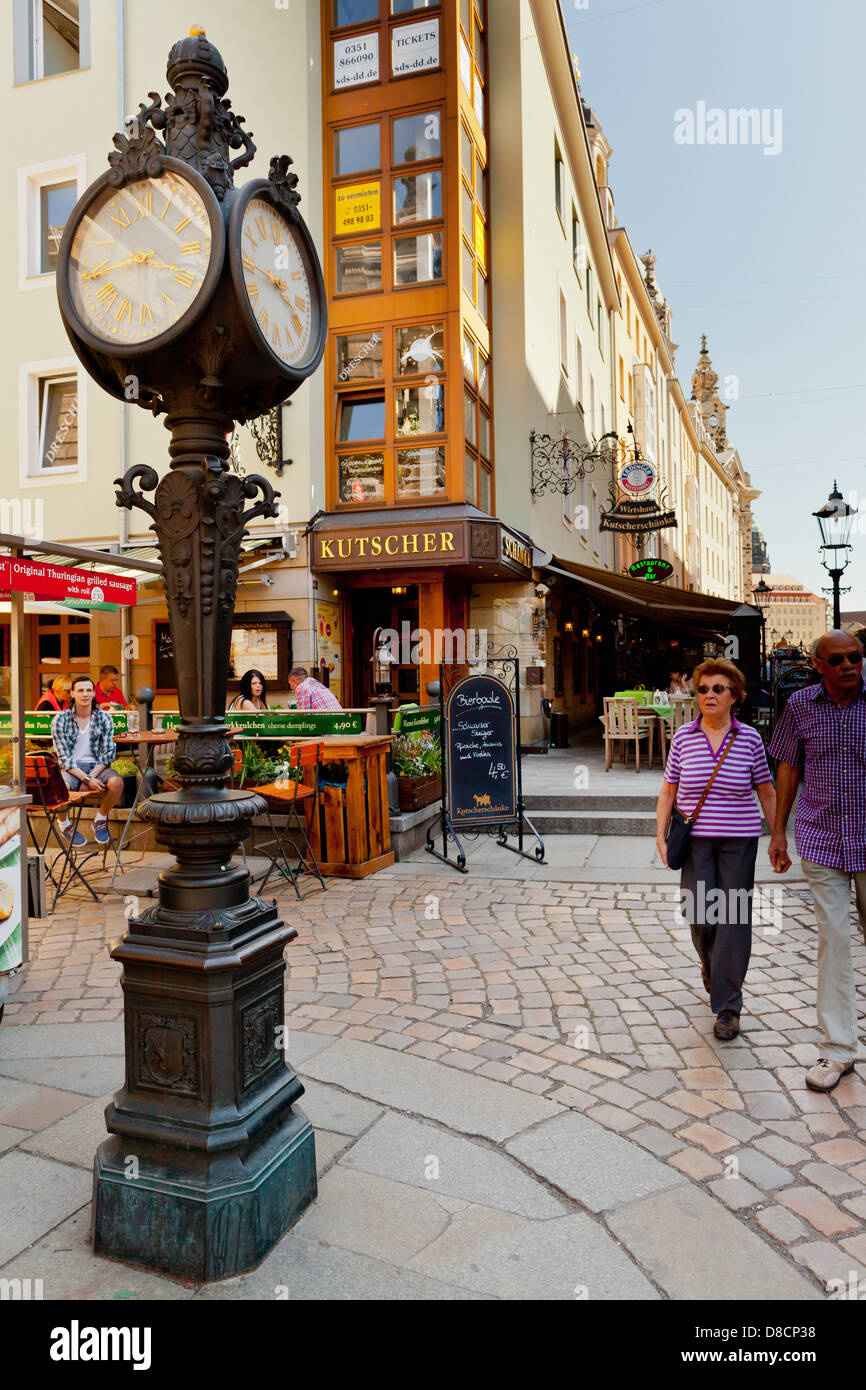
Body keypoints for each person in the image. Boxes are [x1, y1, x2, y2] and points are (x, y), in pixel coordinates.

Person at [656, 658, 778, 1041]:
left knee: (733, 918)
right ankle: (711, 967)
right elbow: (669, 790)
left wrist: (777, 836)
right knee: (700, 912)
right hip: (695, 842)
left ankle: (728, 1006)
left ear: (734, 696)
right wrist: (660, 833)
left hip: (739, 841)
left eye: (718, 689)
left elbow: (766, 790)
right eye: (703, 689)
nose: (709, 695)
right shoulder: (684, 737)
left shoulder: (750, 739)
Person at [769, 630, 866, 1092]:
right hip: (822, 839)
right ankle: (838, 1050)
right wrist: (778, 833)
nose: (849, 666)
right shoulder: (800, 706)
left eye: (856, 658)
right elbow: (787, 767)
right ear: (817, 664)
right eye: (838, 660)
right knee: (834, 942)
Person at [51, 675, 123, 846]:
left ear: (93, 694)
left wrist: (92, 776)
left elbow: (107, 754)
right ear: (72, 694)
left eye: (89, 690)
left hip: (96, 767)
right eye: (80, 690)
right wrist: (87, 779)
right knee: (61, 787)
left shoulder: (104, 718)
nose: (85, 694)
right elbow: (64, 759)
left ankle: (100, 819)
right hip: (71, 769)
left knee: (117, 783)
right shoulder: (60, 719)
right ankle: (64, 824)